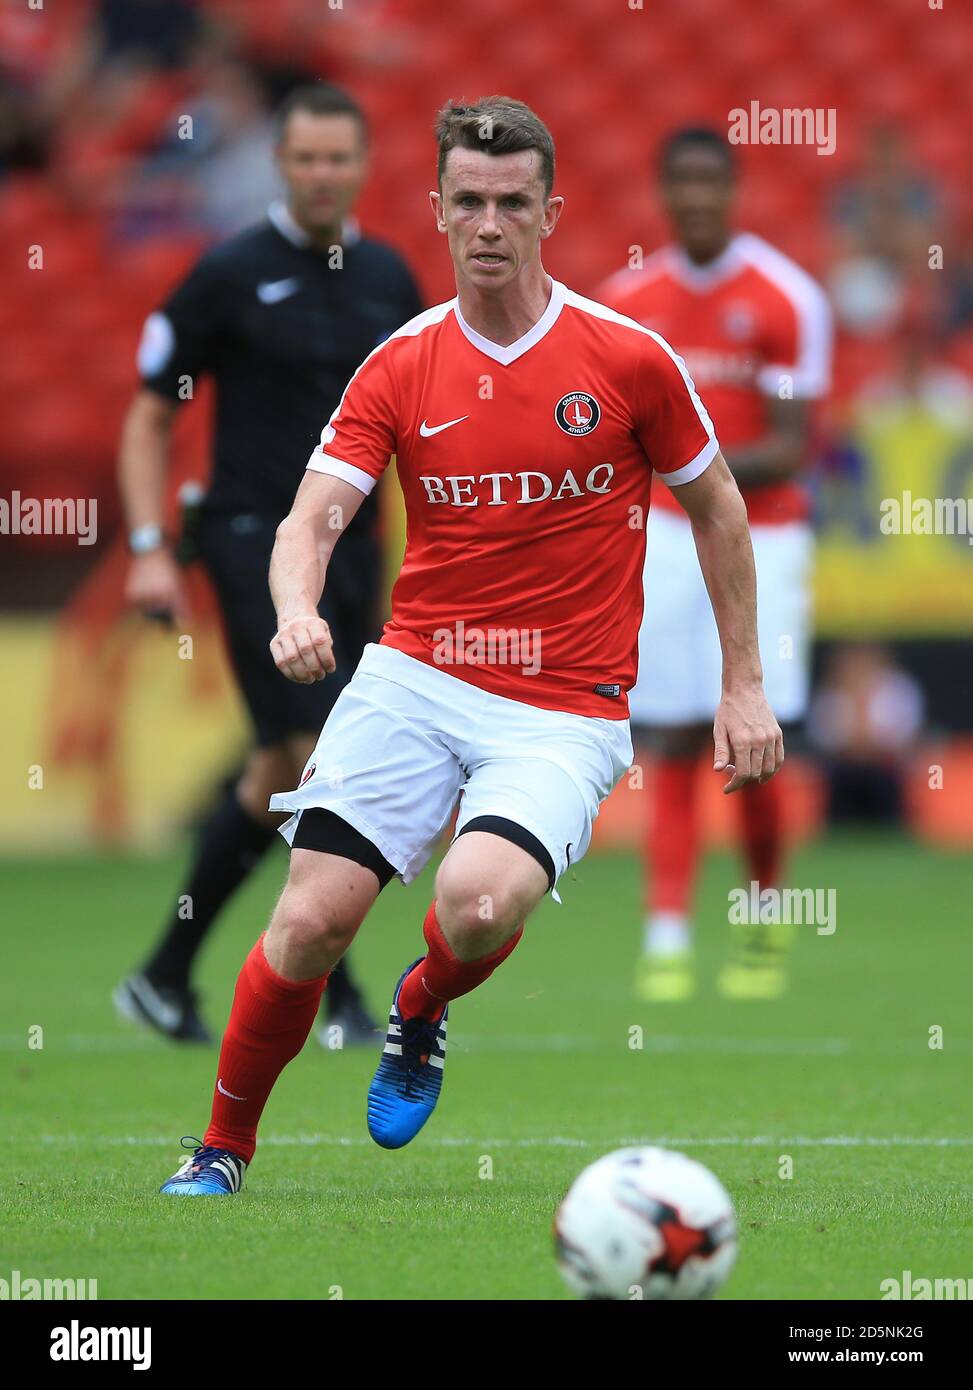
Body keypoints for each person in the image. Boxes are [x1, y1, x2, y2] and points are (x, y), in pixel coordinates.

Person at [157, 96, 782, 1196]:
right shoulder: (402, 363)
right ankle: (220, 1148)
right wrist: (295, 608)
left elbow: (721, 508)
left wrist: (744, 685)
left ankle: (419, 1002)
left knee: (479, 903)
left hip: (562, 703)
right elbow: (309, 518)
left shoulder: (627, 359)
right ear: (437, 212)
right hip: (414, 676)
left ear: (549, 210)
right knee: (306, 922)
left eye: (511, 202)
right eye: (468, 202)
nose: (489, 222)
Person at [115, 83, 422, 1045]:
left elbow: (420, 428)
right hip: (253, 540)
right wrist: (147, 549)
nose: (324, 174)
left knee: (274, 772)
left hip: (356, 548)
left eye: (340, 158)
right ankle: (337, 996)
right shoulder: (229, 274)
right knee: (311, 756)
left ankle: (164, 974)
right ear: (280, 165)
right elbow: (149, 414)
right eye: (306, 158)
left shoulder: (390, 279)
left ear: (363, 165)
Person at [599, 127, 832, 1003]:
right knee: (664, 731)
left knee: (755, 735)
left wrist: (691, 466)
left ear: (730, 187)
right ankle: (665, 933)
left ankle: (764, 918)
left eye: (710, 180)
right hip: (660, 537)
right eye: (681, 181)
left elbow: (791, 442)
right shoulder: (629, 302)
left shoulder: (785, 298)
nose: (696, 197)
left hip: (763, 535)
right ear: (663, 190)